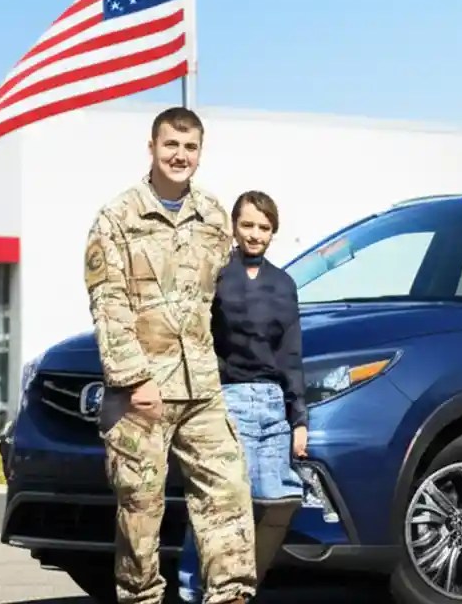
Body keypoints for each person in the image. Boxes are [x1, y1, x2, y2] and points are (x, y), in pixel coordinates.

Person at [84, 106, 257, 604]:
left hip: (202, 387)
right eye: (171, 146)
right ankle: (140, 598)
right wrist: (133, 380)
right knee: (140, 512)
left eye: (190, 147)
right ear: (152, 148)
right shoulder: (117, 218)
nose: (180, 156)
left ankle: (230, 597)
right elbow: (108, 302)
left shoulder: (213, 217)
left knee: (227, 499)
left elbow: (225, 299)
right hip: (143, 392)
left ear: (200, 153)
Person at [179, 190, 307, 603]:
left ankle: (239, 588)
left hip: (272, 407)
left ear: (274, 232)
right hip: (225, 402)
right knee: (216, 508)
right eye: (248, 225)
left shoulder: (284, 284)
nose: (255, 235)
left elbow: (291, 354)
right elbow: (196, 338)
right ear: (234, 227)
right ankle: (192, 590)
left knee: (281, 500)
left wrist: (298, 418)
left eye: (264, 227)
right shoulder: (216, 274)